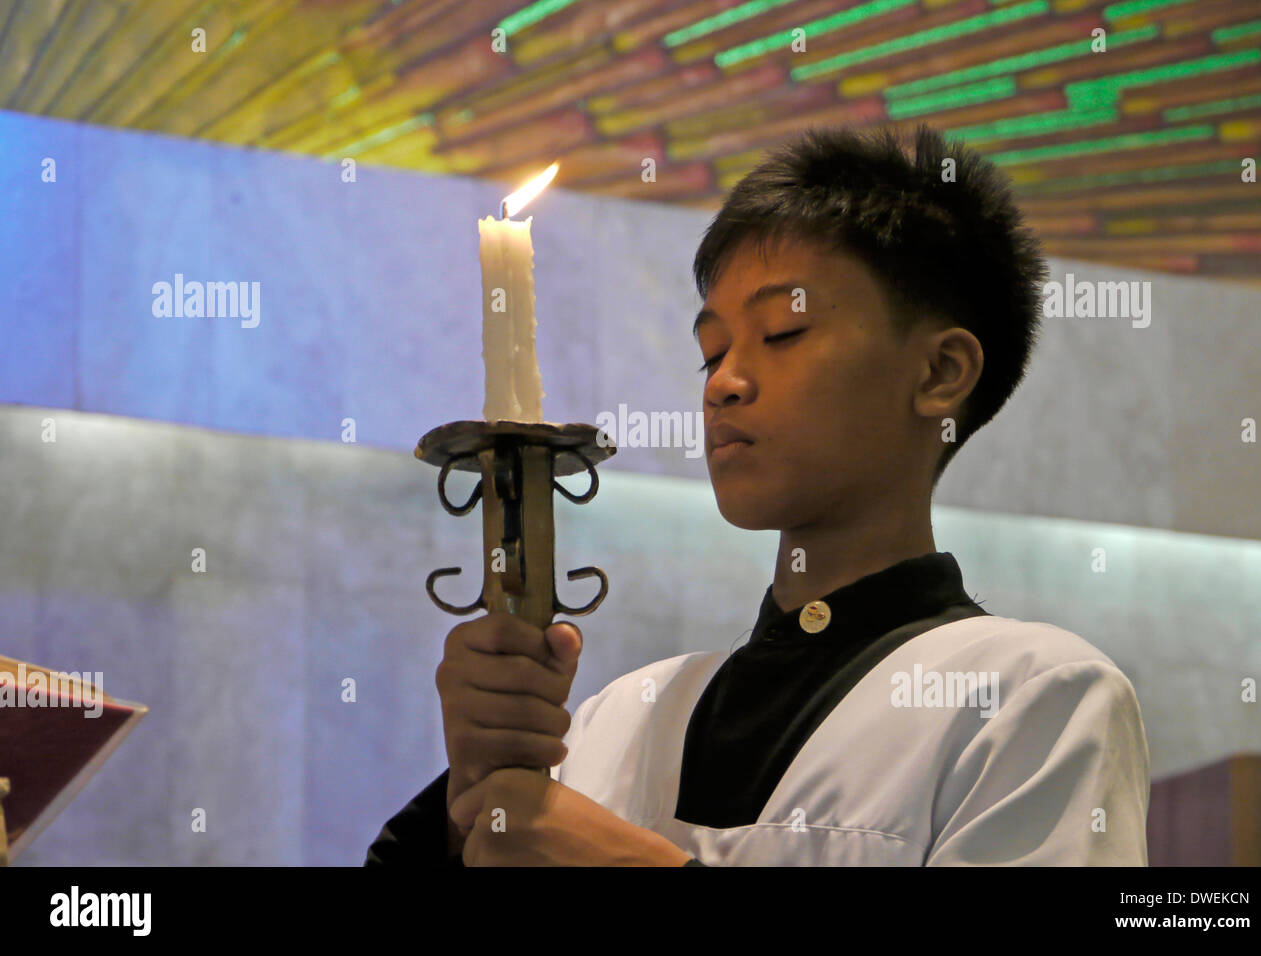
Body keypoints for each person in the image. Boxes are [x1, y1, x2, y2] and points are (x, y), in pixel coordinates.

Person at [365, 122, 1150, 867]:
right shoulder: (617, 722)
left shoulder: (1029, 699)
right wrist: (473, 794)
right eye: (712, 353)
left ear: (941, 373)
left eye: (782, 334)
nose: (726, 385)